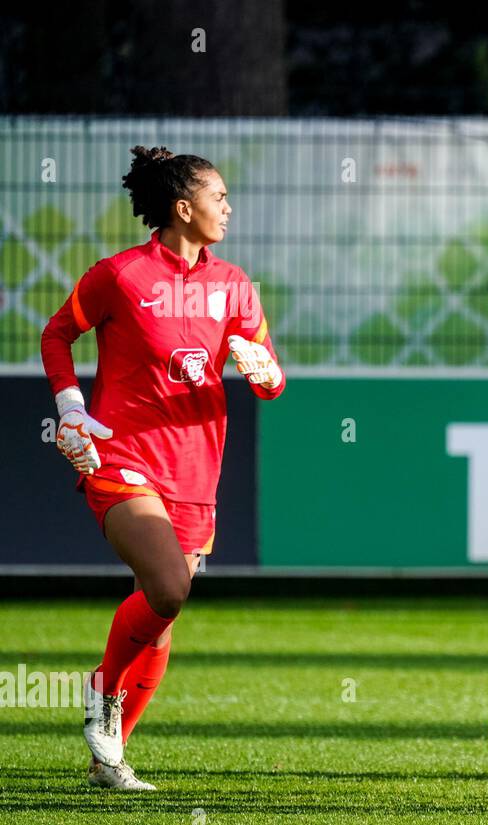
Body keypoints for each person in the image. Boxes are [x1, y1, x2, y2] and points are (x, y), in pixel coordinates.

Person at [41, 146, 285, 791]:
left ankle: (108, 761)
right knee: (169, 588)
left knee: (161, 610)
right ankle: (102, 696)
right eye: (219, 198)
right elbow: (57, 333)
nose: (229, 209)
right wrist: (70, 406)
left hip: (196, 472)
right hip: (121, 460)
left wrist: (265, 375)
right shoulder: (120, 276)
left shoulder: (234, 283)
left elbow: (267, 370)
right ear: (184, 208)